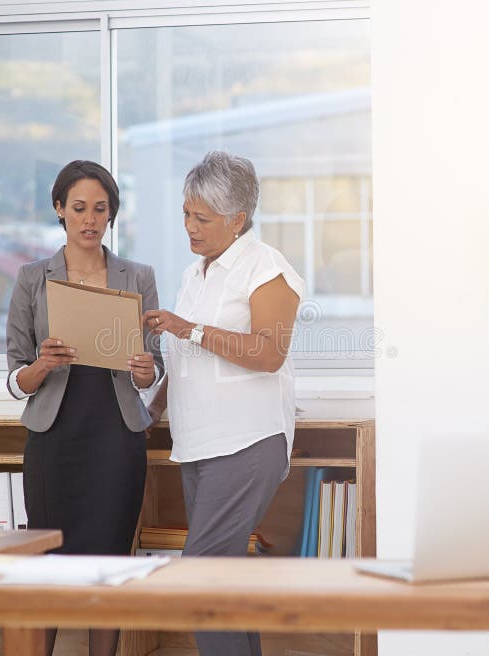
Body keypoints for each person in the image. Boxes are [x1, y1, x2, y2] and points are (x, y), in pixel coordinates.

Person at [144, 151, 304, 656]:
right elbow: (187, 356)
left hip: (247, 442)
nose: (190, 227)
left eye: (203, 218)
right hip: (197, 446)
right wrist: (154, 407)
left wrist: (189, 327)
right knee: (223, 579)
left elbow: (268, 353)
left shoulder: (266, 268)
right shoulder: (196, 275)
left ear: (238, 220)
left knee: (203, 576)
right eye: (186, 214)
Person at [5, 160, 162, 656]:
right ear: (59, 210)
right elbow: (14, 378)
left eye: (100, 209)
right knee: (49, 564)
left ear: (112, 213)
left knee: (110, 564)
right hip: (55, 440)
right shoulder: (32, 278)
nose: (90, 219)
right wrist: (42, 365)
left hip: (116, 439)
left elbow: (153, 366)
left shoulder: (138, 276)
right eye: (79, 208)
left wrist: (144, 372)